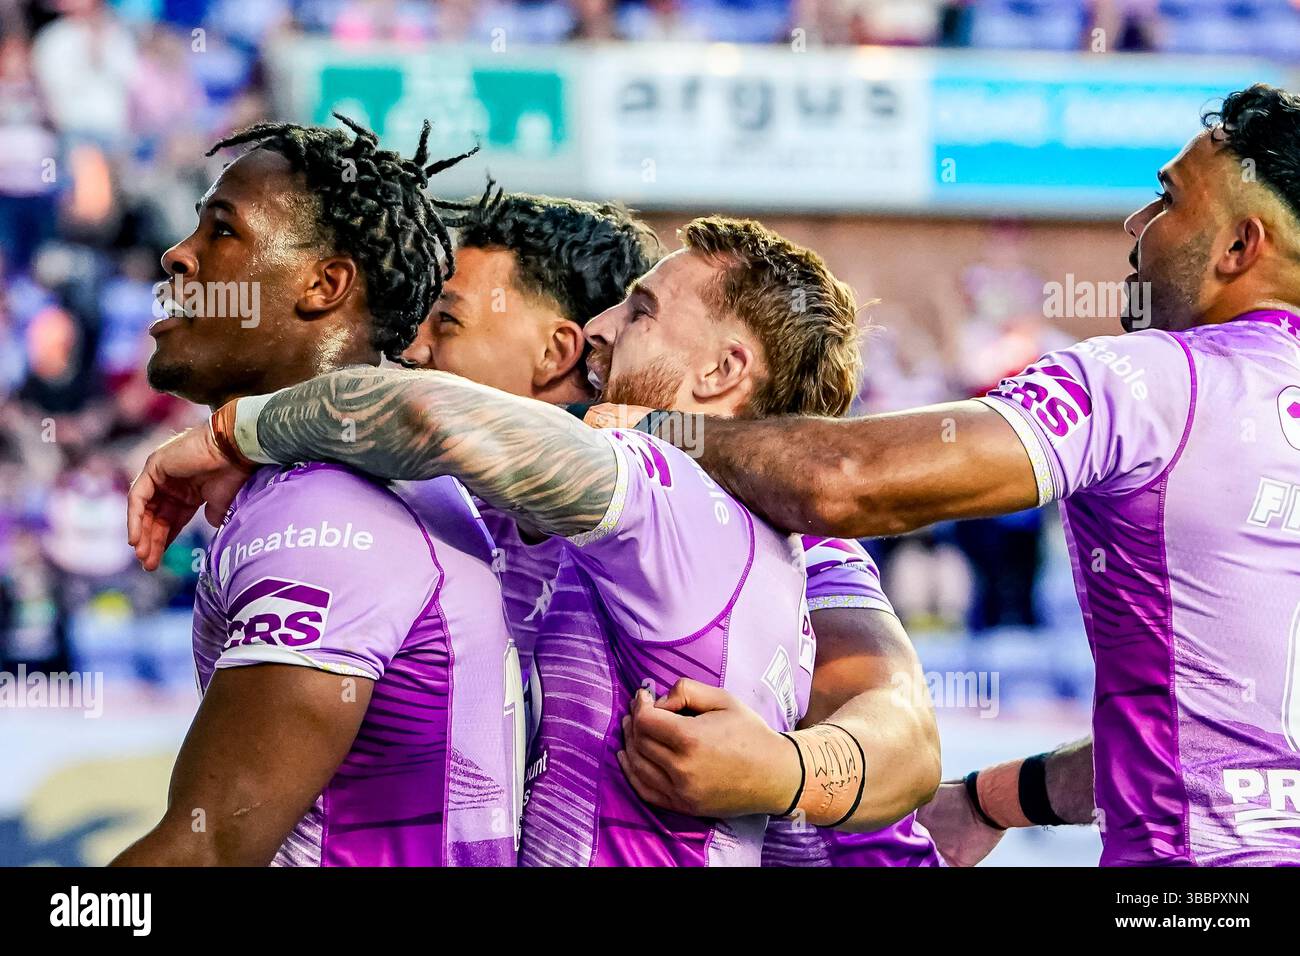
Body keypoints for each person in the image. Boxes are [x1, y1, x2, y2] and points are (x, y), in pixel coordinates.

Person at [614, 83, 1300, 866]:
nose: (1136, 224)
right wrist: (989, 801)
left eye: (1165, 198)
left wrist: (654, 435)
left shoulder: (1151, 381)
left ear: (1240, 248)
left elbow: (845, 479)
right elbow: (1214, 741)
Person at [128, 215, 941, 865]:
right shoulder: (618, 510)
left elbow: (431, 418)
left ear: (724, 373)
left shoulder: (677, 500)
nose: (599, 328)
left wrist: (240, 434)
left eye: (643, 310)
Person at [405, 187, 941, 865]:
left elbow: (909, 738)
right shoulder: (500, 509)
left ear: (555, 349)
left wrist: (785, 771)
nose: (414, 347)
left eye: (448, 321)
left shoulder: (786, 538)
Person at [112, 117, 519, 866]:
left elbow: (205, 854)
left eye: (223, 229)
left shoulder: (324, 516)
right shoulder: (355, 478)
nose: (178, 254)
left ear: (324, 285)